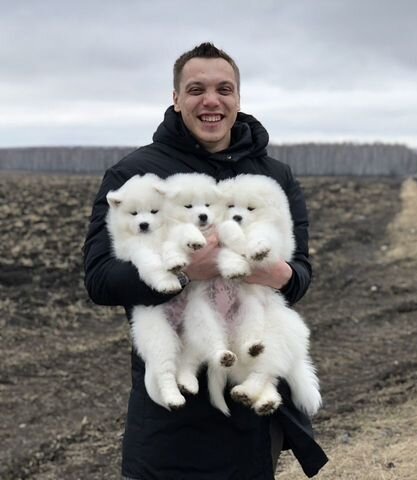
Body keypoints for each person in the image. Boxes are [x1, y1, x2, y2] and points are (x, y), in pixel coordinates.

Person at [83, 42, 327, 480]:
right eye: (196, 89)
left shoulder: (273, 176)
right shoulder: (136, 175)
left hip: (251, 413)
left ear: (238, 99)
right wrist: (186, 272)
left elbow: (301, 272)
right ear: (176, 99)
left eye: (224, 89)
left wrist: (277, 273)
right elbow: (100, 279)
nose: (211, 100)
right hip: (172, 408)